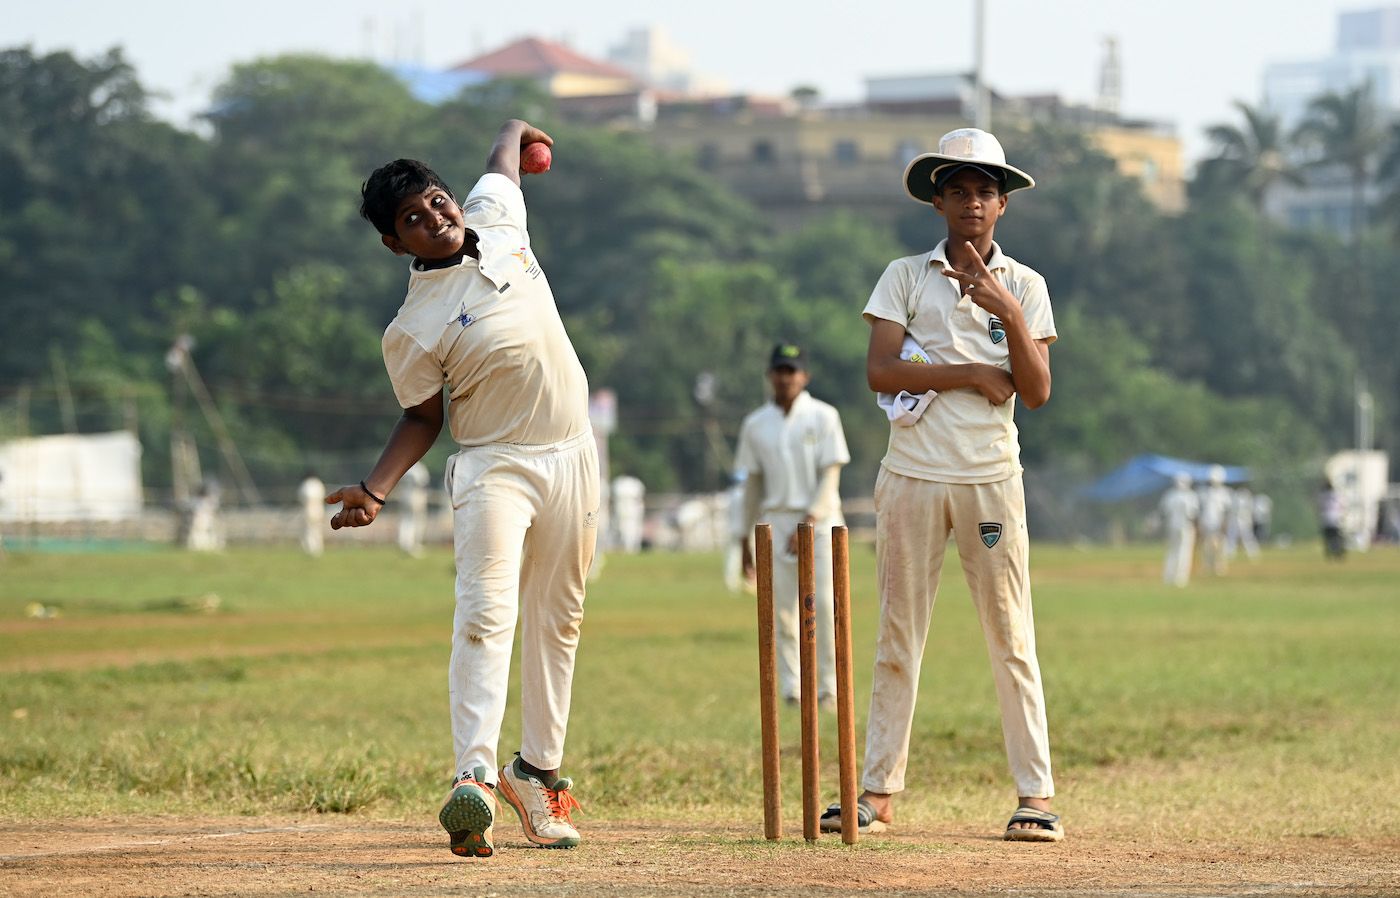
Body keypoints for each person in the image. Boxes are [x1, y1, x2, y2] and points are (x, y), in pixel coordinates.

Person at [328, 120, 598, 858]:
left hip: (574, 455)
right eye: (412, 220)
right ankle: (474, 777)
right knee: (487, 612)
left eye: (438, 203)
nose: (435, 219)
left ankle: (536, 774)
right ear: (395, 243)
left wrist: (520, 129)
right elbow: (421, 416)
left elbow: (500, 160)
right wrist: (376, 491)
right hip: (493, 466)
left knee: (560, 618)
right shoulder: (412, 326)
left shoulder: (498, 218)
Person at [824, 128, 1062, 842]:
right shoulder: (904, 275)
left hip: (990, 479)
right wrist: (967, 372)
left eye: (985, 191)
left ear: (1002, 206)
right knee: (899, 633)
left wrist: (1006, 312)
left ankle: (1037, 796)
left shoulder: (1025, 285)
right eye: (958, 190)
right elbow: (881, 372)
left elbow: (1039, 391)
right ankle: (877, 792)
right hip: (912, 478)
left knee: (1011, 636)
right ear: (939, 200)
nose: (972, 203)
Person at [733, 342, 850, 710]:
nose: (786, 378)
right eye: (780, 371)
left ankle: (828, 687)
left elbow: (831, 474)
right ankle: (792, 686)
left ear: (805, 376)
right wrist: (743, 539)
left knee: (824, 606)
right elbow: (752, 485)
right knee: (782, 609)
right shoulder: (756, 424)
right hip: (778, 521)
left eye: (792, 371)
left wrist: (811, 521)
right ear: (770, 376)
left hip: (821, 519)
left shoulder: (823, 416)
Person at [1159, 473, 1198, 587]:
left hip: (1172, 527)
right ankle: (1181, 578)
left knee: (1171, 552)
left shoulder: (1170, 495)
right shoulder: (1191, 496)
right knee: (1184, 552)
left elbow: (1164, 512)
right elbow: (1192, 515)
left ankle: (1168, 576)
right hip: (1185, 527)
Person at [1196, 466, 1232, 576]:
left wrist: (1224, 523)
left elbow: (1226, 510)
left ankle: (1219, 567)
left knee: (1219, 546)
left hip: (1218, 522)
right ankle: (1207, 566)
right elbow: (1199, 509)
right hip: (1206, 522)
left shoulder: (1225, 493)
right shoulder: (1203, 492)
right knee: (1206, 546)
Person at [396, 461, 430, 557]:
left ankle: (404, 543)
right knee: (416, 521)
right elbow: (422, 483)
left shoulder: (405, 466)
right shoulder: (418, 468)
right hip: (415, 495)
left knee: (405, 520)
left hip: (404, 494)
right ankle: (413, 545)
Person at [297, 472, 325, 557]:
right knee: (317, 530)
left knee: (308, 531)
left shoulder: (306, 484)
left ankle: (310, 550)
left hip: (308, 510)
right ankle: (317, 550)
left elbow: (301, 497)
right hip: (319, 510)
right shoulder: (318, 484)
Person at [1318, 479, 1346, 560]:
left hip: (1326, 519)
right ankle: (1338, 553)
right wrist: (1342, 516)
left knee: (1328, 538)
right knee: (1336, 538)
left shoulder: (1322, 495)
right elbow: (1342, 506)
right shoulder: (1337, 495)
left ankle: (1329, 553)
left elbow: (1320, 507)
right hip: (1335, 519)